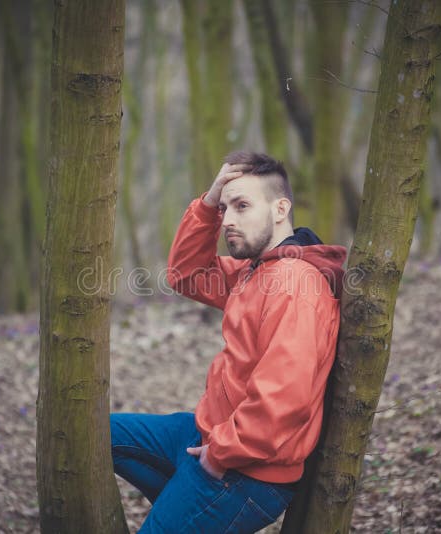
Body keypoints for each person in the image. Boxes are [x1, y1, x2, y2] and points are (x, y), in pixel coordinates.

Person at [111, 151, 347, 533]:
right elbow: (186, 273)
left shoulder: (294, 287)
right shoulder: (254, 272)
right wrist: (208, 202)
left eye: (242, 206)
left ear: (280, 208)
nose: (229, 221)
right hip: (208, 437)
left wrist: (218, 457)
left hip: (244, 471)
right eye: (225, 208)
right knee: (98, 436)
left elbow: (282, 402)